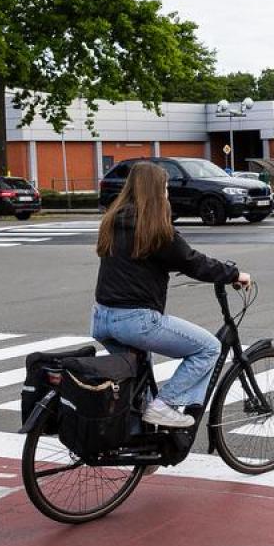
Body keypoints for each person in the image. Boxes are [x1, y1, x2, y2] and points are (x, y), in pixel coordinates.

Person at [91, 162, 251, 429]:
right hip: (136, 321)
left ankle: (142, 447)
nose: (167, 193)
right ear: (155, 191)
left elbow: (142, 260)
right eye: (164, 187)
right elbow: (192, 262)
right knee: (208, 348)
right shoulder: (154, 228)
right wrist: (234, 274)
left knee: (138, 379)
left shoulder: (112, 221)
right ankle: (164, 406)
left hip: (102, 319)